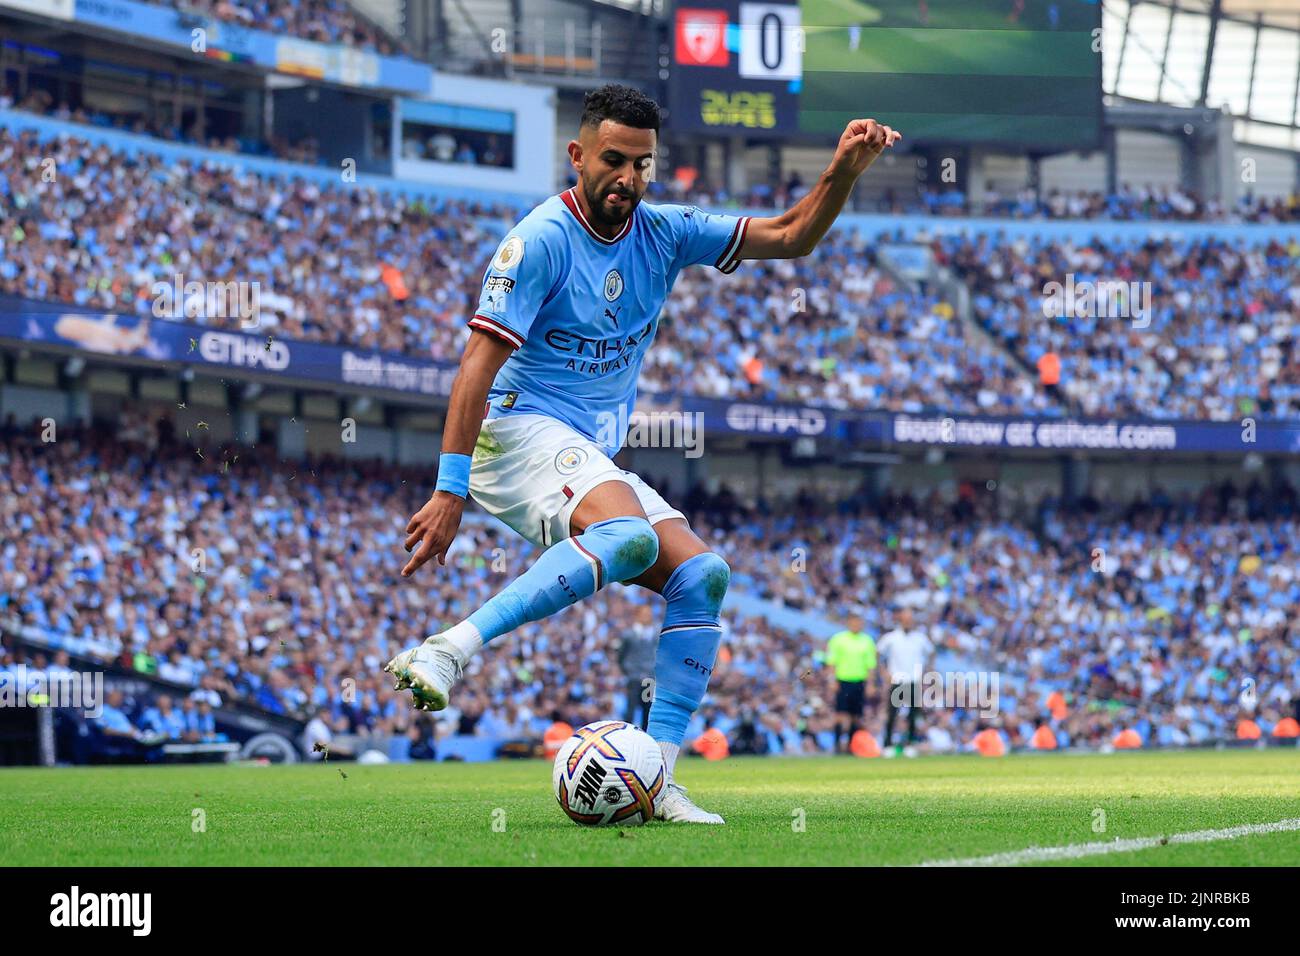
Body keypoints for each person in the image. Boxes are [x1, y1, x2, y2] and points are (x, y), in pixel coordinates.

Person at [386, 83, 901, 823]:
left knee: (702, 575)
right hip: (515, 430)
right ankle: (448, 649)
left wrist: (844, 172)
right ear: (578, 156)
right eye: (613, 160)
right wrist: (449, 489)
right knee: (625, 536)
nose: (627, 178)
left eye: (642, 164)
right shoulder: (540, 240)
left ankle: (655, 777)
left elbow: (791, 235)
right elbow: (476, 363)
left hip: (582, 448)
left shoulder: (664, 231)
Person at [877, 607, 933, 754]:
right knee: (892, 714)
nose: (908, 622)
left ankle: (909, 745)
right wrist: (884, 672)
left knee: (913, 714)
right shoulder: (891, 637)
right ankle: (887, 745)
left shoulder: (920, 638)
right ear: (900, 620)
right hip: (897, 679)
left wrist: (927, 672)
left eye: (910, 619)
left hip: (913, 680)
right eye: (905, 619)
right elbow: (877, 654)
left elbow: (932, 653)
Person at [824, 609, 877, 753]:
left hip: (859, 682)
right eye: (854, 621)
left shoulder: (867, 641)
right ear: (848, 622)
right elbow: (831, 662)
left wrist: (870, 684)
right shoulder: (838, 639)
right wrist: (831, 680)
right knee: (840, 715)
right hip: (842, 681)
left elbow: (871, 665)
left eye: (859, 622)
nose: (856, 624)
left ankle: (851, 747)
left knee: (856, 716)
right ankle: (837, 745)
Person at [617, 603, 659, 729]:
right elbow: (621, 656)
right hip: (634, 677)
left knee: (648, 709)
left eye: (649, 614)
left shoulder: (655, 634)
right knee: (631, 708)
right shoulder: (629, 634)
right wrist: (628, 671)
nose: (647, 617)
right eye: (644, 614)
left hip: (649, 678)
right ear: (637, 616)